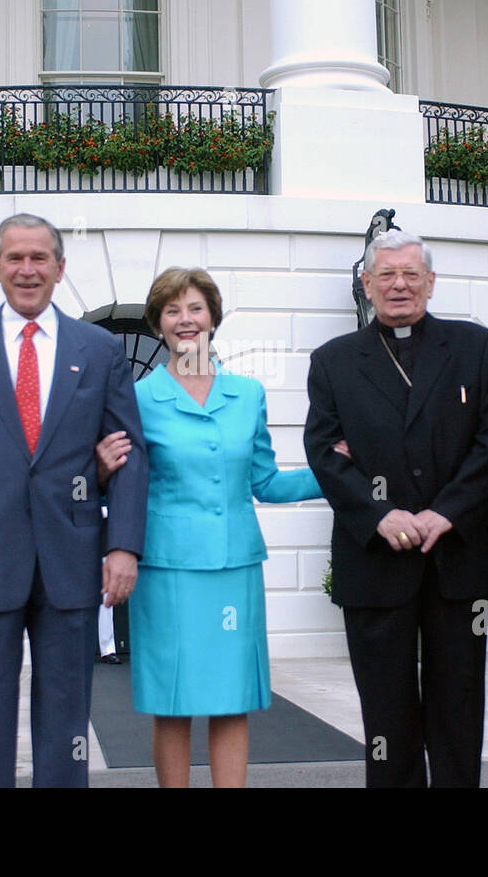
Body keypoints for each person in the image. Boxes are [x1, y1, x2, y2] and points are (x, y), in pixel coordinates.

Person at [0, 213, 147, 788]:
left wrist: (124, 548)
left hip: (71, 557)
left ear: (60, 268)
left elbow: (131, 454)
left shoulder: (99, 350)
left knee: (67, 716)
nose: (27, 269)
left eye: (40, 257)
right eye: (15, 258)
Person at [96, 267, 322, 788]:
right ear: (158, 324)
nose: (186, 319)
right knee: (171, 702)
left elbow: (264, 483)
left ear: (213, 318)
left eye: (195, 308)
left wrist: (334, 475)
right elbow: (121, 485)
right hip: (168, 569)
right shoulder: (139, 398)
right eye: (173, 310)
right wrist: (102, 473)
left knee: (231, 699)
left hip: (235, 568)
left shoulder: (247, 394)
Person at [304, 229, 488, 788]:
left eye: (411, 274)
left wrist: (447, 511)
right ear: (367, 284)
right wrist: (380, 514)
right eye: (386, 275)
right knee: (385, 718)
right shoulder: (333, 361)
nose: (399, 285)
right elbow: (324, 451)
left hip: (457, 556)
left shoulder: (477, 347)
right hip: (375, 561)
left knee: (460, 708)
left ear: (431, 283)